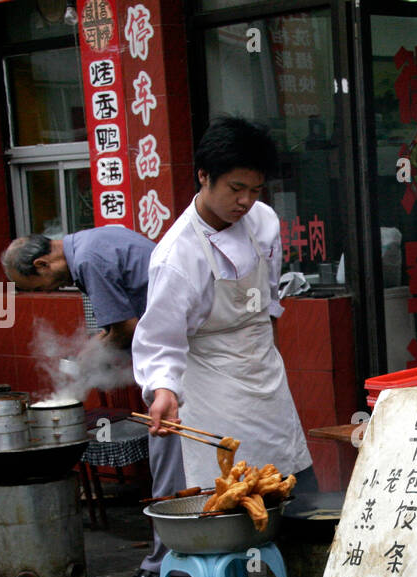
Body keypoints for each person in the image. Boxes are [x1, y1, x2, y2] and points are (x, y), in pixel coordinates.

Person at [132, 117, 315, 504]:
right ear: (204, 176)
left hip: (266, 376)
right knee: (233, 494)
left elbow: (267, 303)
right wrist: (162, 390)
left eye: (255, 189)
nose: (246, 201)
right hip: (214, 387)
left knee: (291, 486)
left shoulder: (262, 221)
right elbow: (161, 339)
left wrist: (273, 364)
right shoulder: (176, 256)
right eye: (236, 188)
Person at [0, 226, 191, 577]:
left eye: (39, 286)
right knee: (182, 456)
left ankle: (167, 564)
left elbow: (126, 330)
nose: (47, 292)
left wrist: (83, 364)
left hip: (178, 355)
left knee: (167, 453)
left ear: (42, 263)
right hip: (178, 346)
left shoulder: (89, 261)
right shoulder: (93, 242)